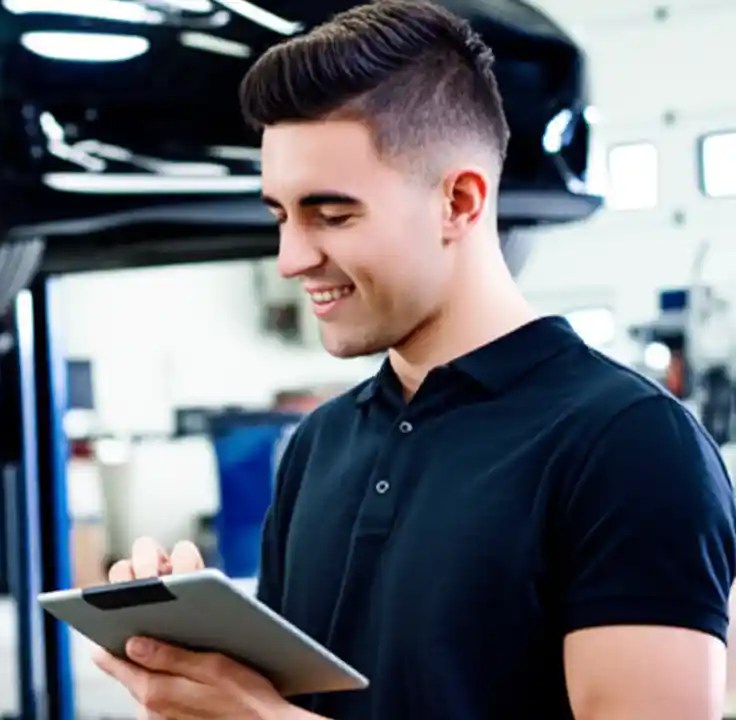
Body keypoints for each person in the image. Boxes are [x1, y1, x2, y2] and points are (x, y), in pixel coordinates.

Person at [91, 2, 736, 719]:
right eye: (280, 215)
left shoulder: (631, 446)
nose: (292, 258)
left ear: (459, 201)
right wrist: (200, 674)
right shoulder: (319, 445)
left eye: (331, 214)